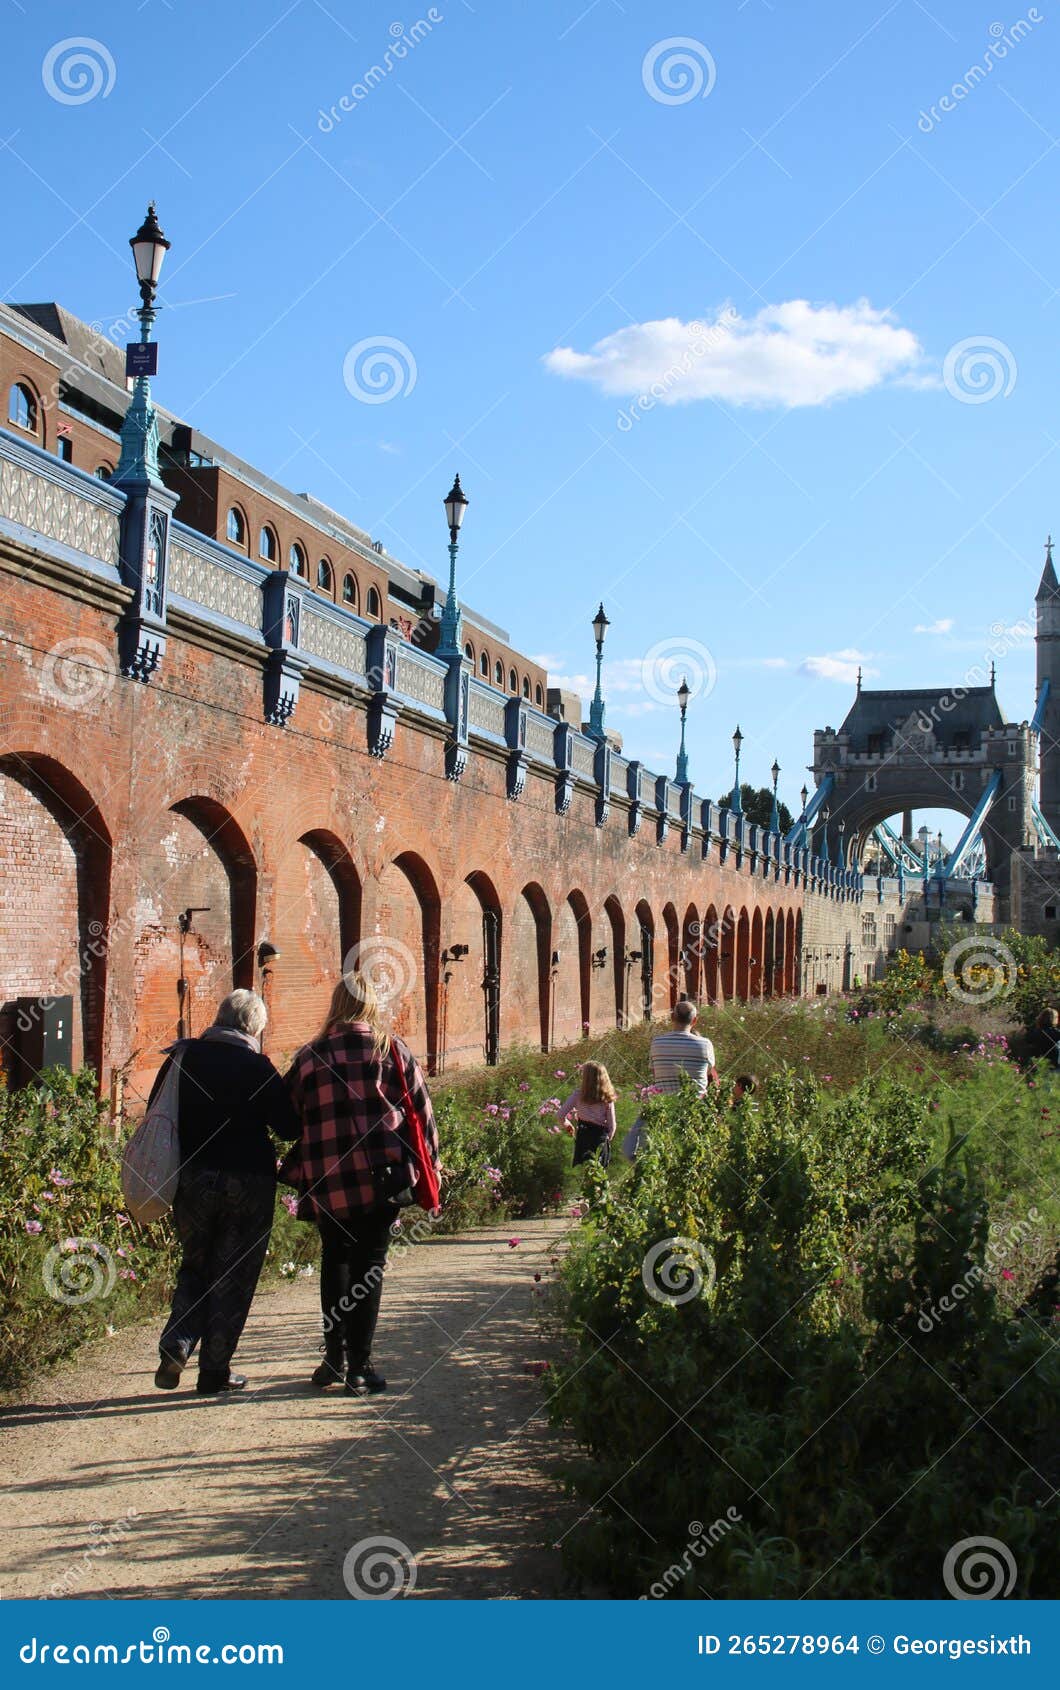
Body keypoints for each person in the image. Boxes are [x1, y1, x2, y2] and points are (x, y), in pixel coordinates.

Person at [283, 972, 441, 1396]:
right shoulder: (393, 1051)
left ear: (336, 1005)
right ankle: (360, 1366)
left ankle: (333, 1360)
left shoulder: (310, 1057)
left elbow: (286, 1117)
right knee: (369, 1268)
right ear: (372, 1004)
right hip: (381, 1180)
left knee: (335, 1259)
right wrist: (434, 1166)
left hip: (328, 1178)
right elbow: (422, 1116)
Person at [153, 989, 300, 1396]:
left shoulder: (182, 1059)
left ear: (219, 1018)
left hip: (193, 1178)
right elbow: (289, 1127)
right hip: (248, 1182)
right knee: (233, 1276)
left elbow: (158, 1115)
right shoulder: (257, 1067)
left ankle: (178, 1342)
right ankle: (214, 1372)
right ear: (254, 1027)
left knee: (196, 1263)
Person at [649, 998, 717, 1095]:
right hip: (696, 1106)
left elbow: (655, 1073)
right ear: (694, 1021)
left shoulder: (656, 1043)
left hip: (664, 1106)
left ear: (672, 1017)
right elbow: (709, 1072)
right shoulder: (705, 1044)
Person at [558, 1062, 617, 1167]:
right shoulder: (607, 1098)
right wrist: (606, 1139)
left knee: (582, 1169)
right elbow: (612, 1127)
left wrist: (567, 1125)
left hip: (583, 1135)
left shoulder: (578, 1095)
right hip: (600, 1137)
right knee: (598, 1174)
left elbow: (560, 1115)